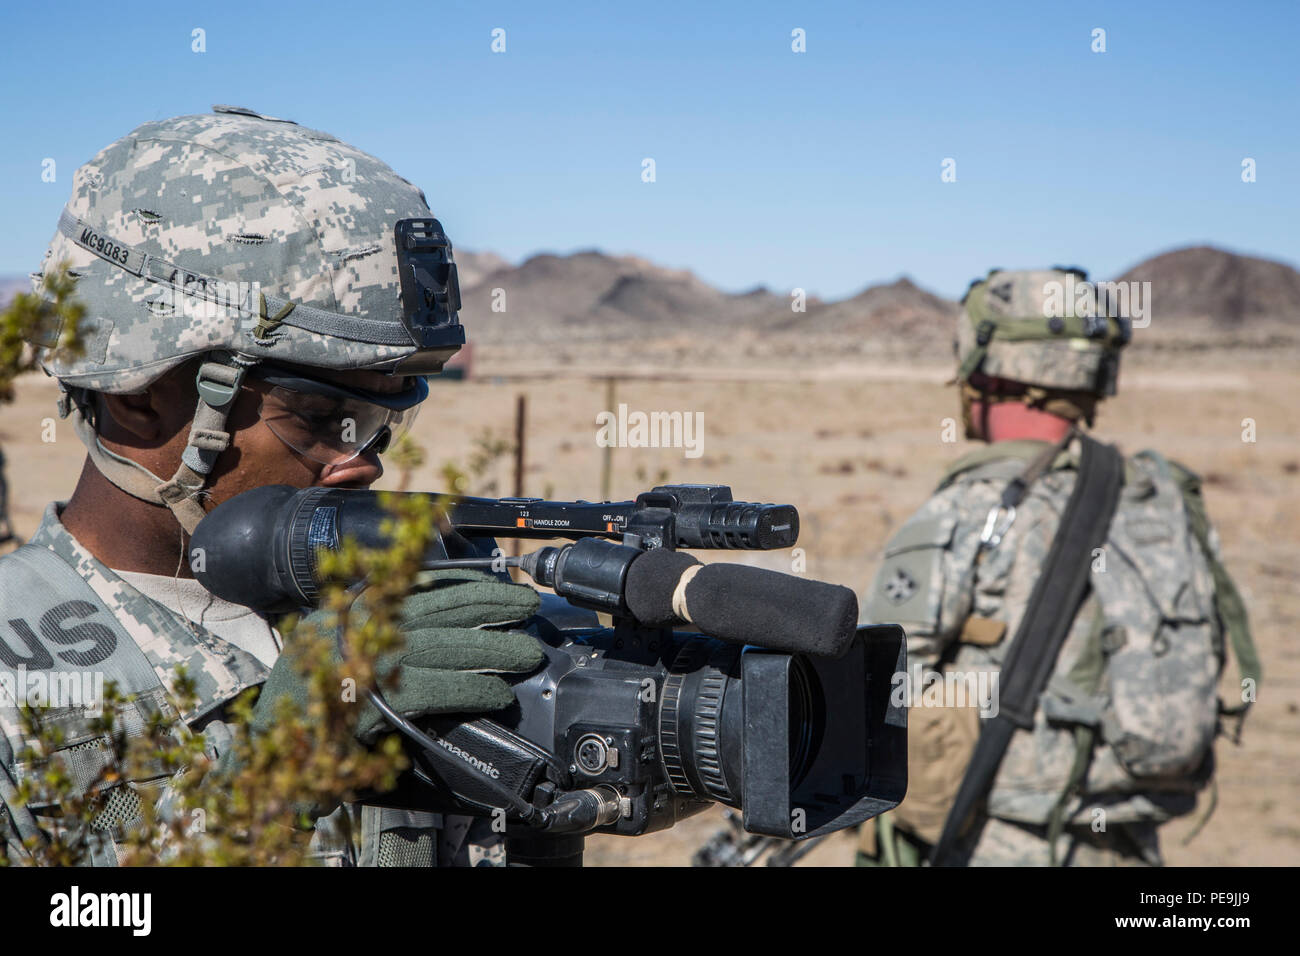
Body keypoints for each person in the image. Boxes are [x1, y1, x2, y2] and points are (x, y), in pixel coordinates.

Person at [0, 107, 544, 866]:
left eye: (386, 417)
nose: (364, 463)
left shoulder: (376, 618)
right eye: (321, 414)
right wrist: (264, 793)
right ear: (137, 391)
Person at [857, 267, 1258, 866]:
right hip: (1129, 845)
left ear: (985, 367)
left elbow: (867, 700)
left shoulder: (966, 510)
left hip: (995, 845)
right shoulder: (1164, 499)